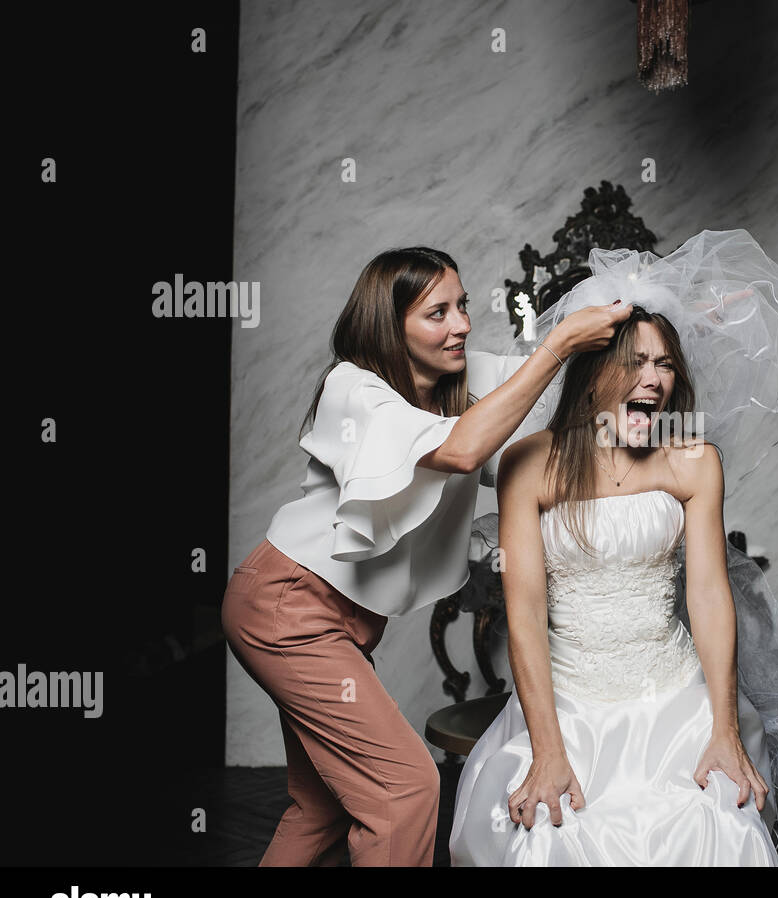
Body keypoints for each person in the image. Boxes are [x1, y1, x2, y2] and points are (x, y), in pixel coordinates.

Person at [449, 229, 778, 866]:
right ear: (592, 372)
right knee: (558, 838)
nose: (652, 380)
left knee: (716, 828)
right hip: (566, 703)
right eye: (634, 362)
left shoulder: (694, 462)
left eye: (665, 364)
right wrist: (548, 750)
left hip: (677, 698)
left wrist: (724, 729)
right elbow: (526, 612)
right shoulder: (529, 464)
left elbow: (708, 596)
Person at [221, 246, 630, 866]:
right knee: (405, 791)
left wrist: (672, 313)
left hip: (338, 620)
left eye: (462, 306)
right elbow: (463, 450)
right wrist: (560, 343)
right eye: (437, 313)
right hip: (287, 606)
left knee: (321, 808)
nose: (461, 324)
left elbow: (557, 389)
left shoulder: (465, 380)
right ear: (391, 326)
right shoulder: (352, 388)